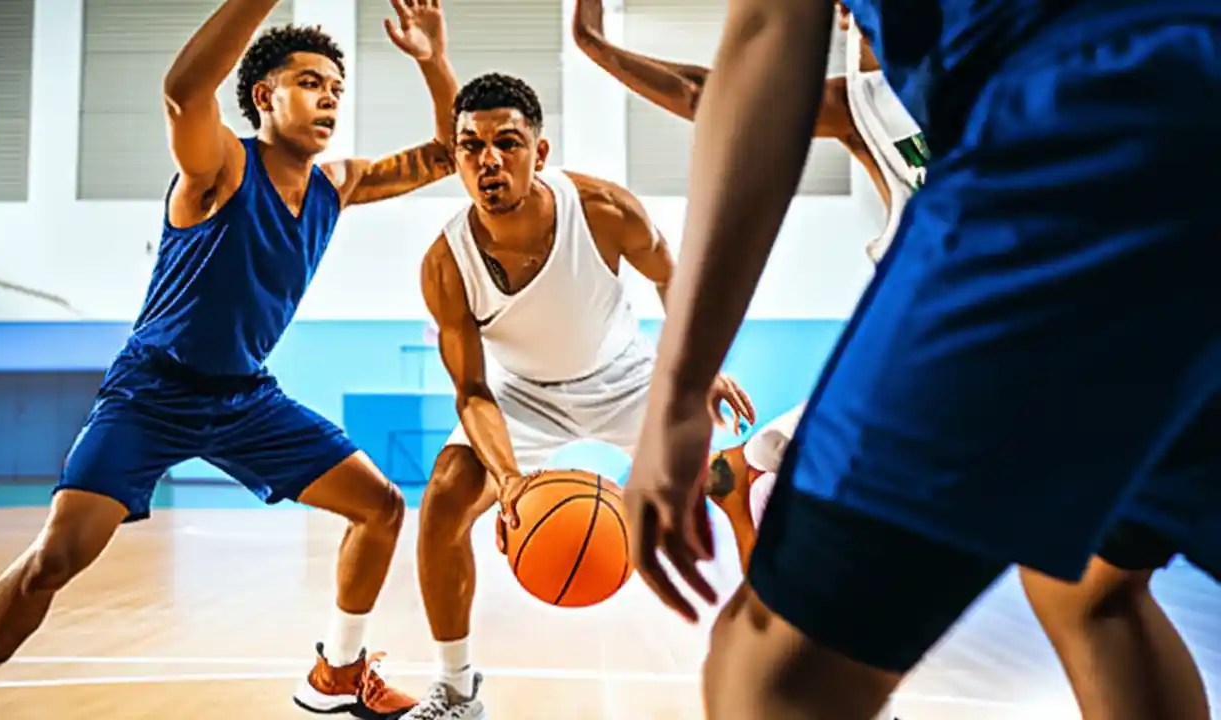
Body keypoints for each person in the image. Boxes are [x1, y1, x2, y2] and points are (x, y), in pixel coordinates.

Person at [623, 0, 1221, 718]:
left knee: (772, 674)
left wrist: (681, 387)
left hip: (1084, 134)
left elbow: (768, 33)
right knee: (1091, 589)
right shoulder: (869, 104)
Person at [0, 2, 458, 719]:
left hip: (246, 398)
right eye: (310, 83)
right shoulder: (218, 165)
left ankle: (338, 671)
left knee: (379, 506)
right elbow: (184, 91)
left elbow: (445, 152)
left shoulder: (335, 187)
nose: (329, 100)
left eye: (337, 90)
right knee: (55, 559)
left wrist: (433, 58)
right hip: (150, 393)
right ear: (263, 96)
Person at [402, 72, 755, 719]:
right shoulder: (445, 264)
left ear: (539, 152)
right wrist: (509, 480)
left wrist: (699, 370)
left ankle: (783, 664)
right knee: (448, 494)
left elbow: (670, 276)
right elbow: (473, 392)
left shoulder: (601, 209)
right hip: (522, 396)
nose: (487, 160)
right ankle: (455, 690)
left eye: (506, 142)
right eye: (470, 146)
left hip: (627, 377)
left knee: (738, 484)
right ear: (454, 157)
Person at [573, 0, 927, 568]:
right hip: (938, 336)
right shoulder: (870, 104)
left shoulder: (1008, 78)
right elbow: (711, 95)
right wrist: (597, 45)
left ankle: (756, 486)